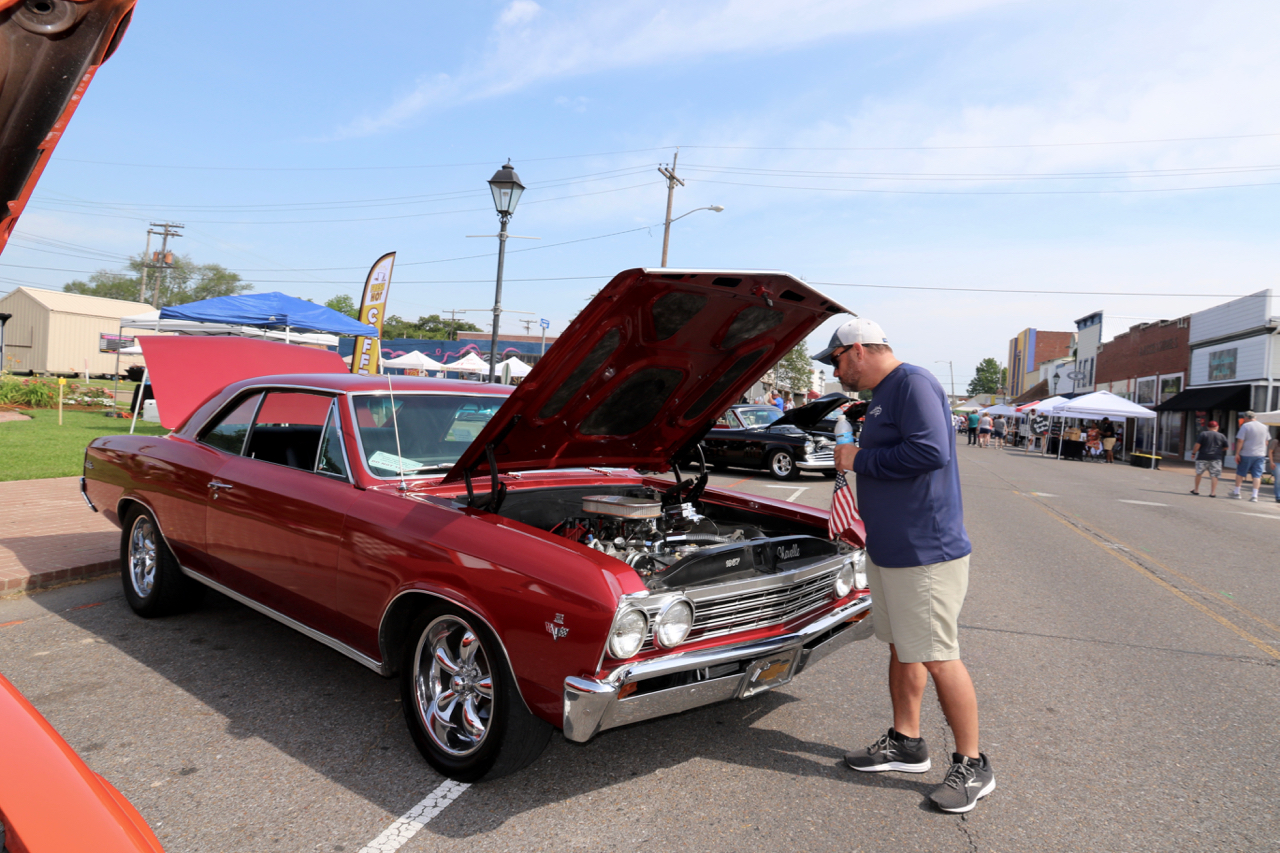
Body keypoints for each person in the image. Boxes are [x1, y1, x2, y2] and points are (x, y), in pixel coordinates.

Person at [815, 317, 994, 815]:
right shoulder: (886, 393)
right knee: (905, 646)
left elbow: (931, 451)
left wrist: (857, 461)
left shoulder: (912, 382)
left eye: (835, 361)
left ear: (856, 351)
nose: (836, 372)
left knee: (938, 653)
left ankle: (974, 764)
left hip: (925, 550)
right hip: (891, 547)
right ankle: (907, 741)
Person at [1230, 411, 1269, 502]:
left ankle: (1237, 493)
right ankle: (1254, 495)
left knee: (1240, 473)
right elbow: (1266, 442)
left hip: (1246, 453)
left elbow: (1240, 440)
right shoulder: (1264, 427)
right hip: (1260, 454)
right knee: (1257, 475)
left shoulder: (1245, 426)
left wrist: (1237, 453)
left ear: (1246, 418)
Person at [1190, 420, 1228, 497]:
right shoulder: (1222, 436)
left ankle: (1196, 490)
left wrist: (1193, 453)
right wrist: (1220, 450)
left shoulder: (1203, 434)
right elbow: (1226, 447)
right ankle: (1213, 492)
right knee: (1214, 475)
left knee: (1199, 473)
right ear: (1217, 427)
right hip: (1216, 458)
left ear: (1208, 427)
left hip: (1202, 457)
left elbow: (1197, 445)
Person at [1268, 428, 1280, 504]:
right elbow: (1270, 451)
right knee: (1278, 480)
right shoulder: (1275, 441)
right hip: (1276, 462)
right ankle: (1278, 496)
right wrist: (1271, 462)